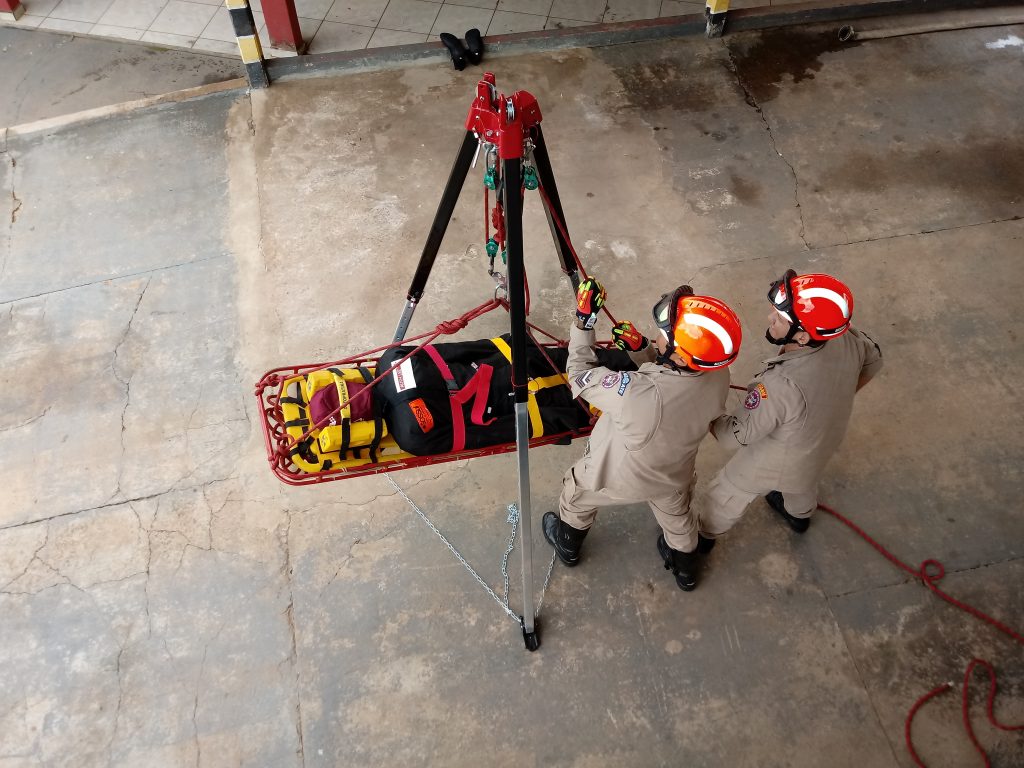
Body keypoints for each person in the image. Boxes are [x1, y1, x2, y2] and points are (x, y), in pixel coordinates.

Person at [542, 277, 743, 591]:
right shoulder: (719, 374)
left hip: (624, 476)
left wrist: (583, 322)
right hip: (674, 472)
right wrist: (643, 350)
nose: (658, 337)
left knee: (577, 493)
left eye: (664, 336)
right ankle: (686, 572)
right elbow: (674, 378)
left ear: (680, 355)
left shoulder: (636, 393)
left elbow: (580, 374)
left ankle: (567, 545)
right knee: (678, 521)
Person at [699, 269, 882, 543]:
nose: (769, 318)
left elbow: (730, 436)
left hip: (783, 456)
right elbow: (874, 360)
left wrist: (702, 405)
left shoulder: (781, 385)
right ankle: (799, 515)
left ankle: (701, 538)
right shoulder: (842, 335)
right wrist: (835, 399)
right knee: (803, 479)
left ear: (803, 337)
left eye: (780, 317)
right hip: (824, 439)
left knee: (729, 489)